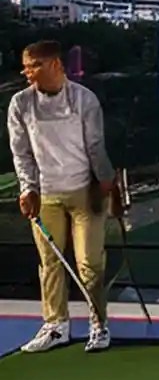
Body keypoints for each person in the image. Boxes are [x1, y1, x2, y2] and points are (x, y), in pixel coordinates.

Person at [7, 39, 115, 353]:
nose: (28, 72)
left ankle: (99, 324)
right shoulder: (20, 104)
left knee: (89, 264)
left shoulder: (84, 99)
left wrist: (105, 183)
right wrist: (28, 189)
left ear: (56, 65)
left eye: (35, 65)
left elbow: (96, 146)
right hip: (46, 195)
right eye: (26, 66)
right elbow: (21, 153)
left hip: (84, 191)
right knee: (50, 264)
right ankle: (56, 326)